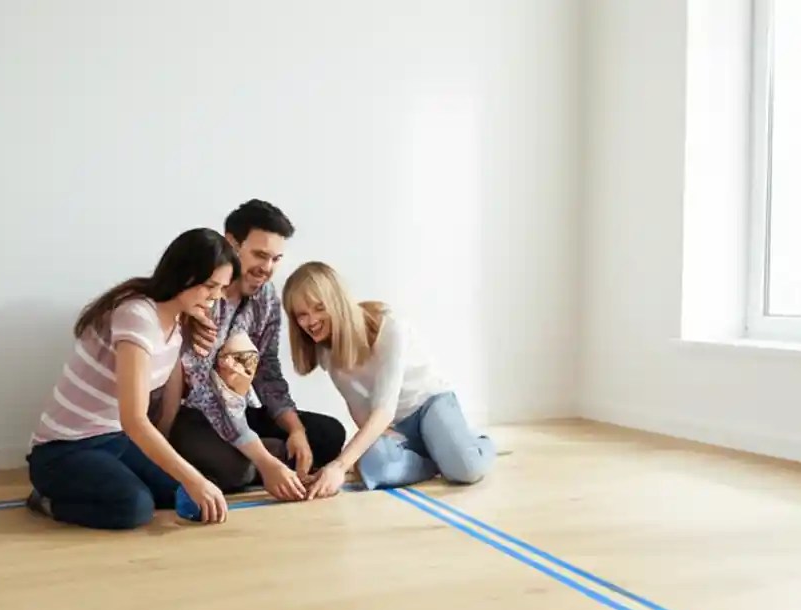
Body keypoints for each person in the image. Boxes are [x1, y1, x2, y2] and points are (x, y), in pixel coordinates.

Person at [25, 228, 235, 529]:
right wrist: (192, 478)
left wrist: (180, 462)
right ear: (184, 275)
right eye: (209, 286)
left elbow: (171, 380)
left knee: (186, 491)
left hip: (115, 440)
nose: (215, 298)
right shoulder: (136, 315)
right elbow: (134, 420)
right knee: (134, 508)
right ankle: (46, 501)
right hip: (64, 450)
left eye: (221, 288)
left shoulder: (180, 318)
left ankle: (119, 481)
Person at [169, 199, 347, 500]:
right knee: (240, 471)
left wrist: (296, 429)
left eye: (276, 259)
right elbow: (204, 392)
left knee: (329, 434)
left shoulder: (266, 299)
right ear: (231, 243)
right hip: (195, 416)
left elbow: (267, 371)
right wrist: (265, 460)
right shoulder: (202, 295)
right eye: (260, 255)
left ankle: (259, 453)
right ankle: (257, 457)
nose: (266, 268)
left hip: (241, 408)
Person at [280, 261, 496, 498]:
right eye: (302, 315)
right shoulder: (324, 350)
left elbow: (383, 409)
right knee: (373, 465)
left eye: (319, 308)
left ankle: (476, 444)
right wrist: (368, 450)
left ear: (337, 302)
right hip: (394, 426)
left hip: (429, 405)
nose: (311, 321)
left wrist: (340, 466)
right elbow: (357, 405)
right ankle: (436, 459)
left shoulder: (390, 326)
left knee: (465, 470)